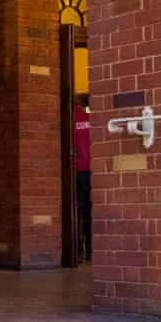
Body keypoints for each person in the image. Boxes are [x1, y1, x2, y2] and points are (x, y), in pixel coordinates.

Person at [73, 93, 92, 261]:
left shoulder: (67, 121)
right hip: (91, 170)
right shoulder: (90, 119)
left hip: (75, 171)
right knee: (90, 210)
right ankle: (91, 251)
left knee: (76, 211)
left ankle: (76, 250)